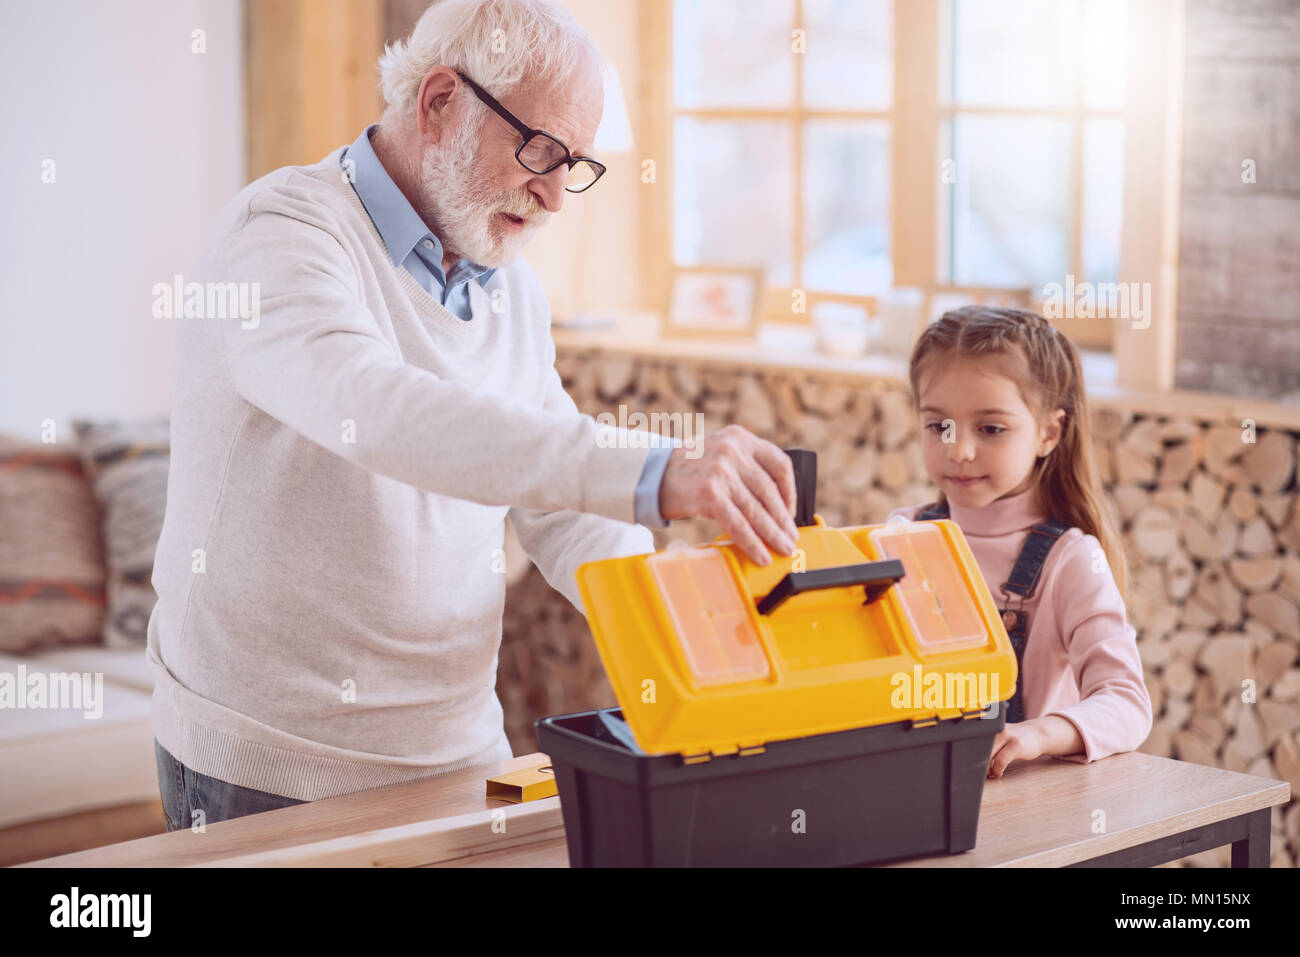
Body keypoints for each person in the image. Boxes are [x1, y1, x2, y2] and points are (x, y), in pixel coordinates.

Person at [149, 0, 798, 831]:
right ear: (440, 101)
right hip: (269, 760)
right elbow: (380, 412)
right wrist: (655, 470)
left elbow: (560, 509)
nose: (558, 196)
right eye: (541, 151)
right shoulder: (279, 236)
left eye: (577, 165)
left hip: (458, 752)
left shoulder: (507, 284)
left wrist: (699, 641)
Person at [887, 305, 1152, 779]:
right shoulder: (899, 537)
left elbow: (1127, 703)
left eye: (991, 428)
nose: (959, 450)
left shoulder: (1069, 560)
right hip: (915, 793)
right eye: (937, 425)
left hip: (1026, 812)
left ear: (1049, 433)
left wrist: (1036, 734)